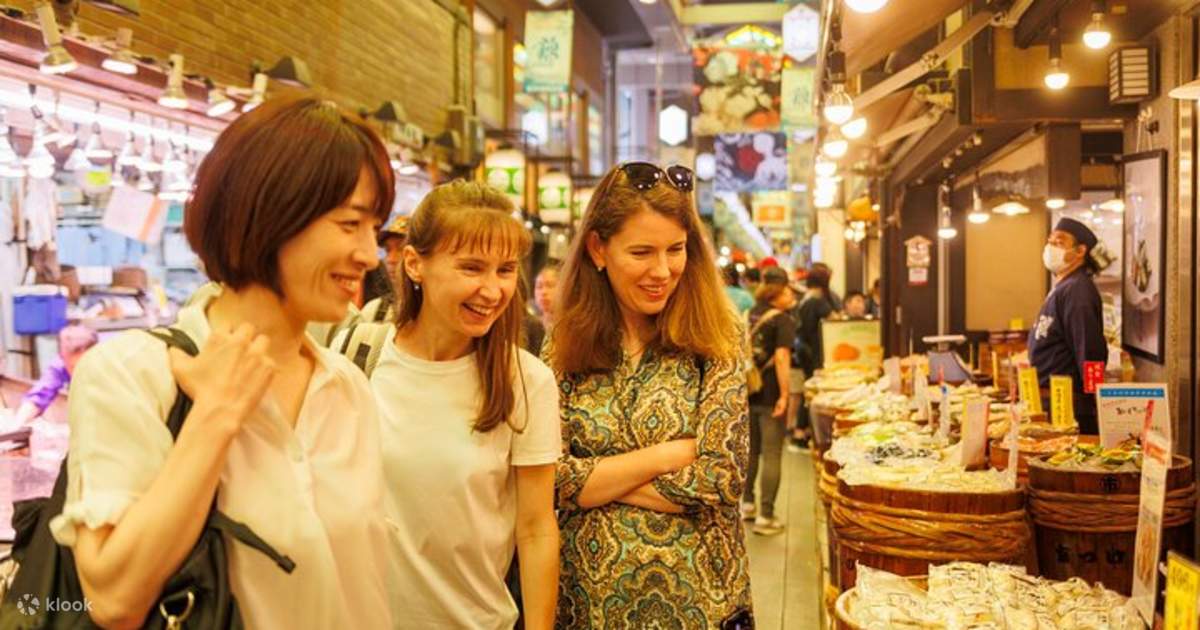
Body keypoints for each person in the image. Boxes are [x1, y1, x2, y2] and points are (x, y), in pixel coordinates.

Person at [50, 94, 396, 628]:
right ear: (272, 215)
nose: (371, 255)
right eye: (350, 224)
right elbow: (112, 599)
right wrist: (215, 416)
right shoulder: (133, 375)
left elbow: (364, 590)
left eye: (374, 229)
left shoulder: (346, 387)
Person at [548, 162, 753, 628]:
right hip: (590, 604)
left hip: (701, 600)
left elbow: (722, 477)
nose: (662, 271)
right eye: (641, 252)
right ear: (599, 249)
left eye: (675, 250)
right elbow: (550, 479)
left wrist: (595, 486)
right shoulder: (561, 344)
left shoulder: (718, 337)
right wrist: (668, 454)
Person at [373, 180, 561, 630]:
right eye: (472, 267)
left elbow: (535, 529)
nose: (493, 290)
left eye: (505, 270)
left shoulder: (526, 380)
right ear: (415, 265)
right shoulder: (359, 358)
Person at [1029, 217, 1108, 435]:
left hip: (1070, 406)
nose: (1051, 247)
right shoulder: (1063, 286)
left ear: (1080, 250)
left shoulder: (1078, 290)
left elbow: (1090, 348)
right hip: (1052, 401)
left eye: (1060, 242)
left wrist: (1096, 401)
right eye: (1050, 241)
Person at [741, 282, 796, 535]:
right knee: (772, 453)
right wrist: (785, 395)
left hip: (748, 389)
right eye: (787, 292)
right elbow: (782, 358)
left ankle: (747, 504)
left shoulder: (748, 314)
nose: (791, 296)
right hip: (771, 392)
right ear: (775, 295)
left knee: (751, 451)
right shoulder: (782, 320)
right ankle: (766, 516)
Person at [13, 324, 97, 425]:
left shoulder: (111, 365)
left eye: (84, 365)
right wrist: (17, 426)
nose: (78, 372)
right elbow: (39, 396)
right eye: (72, 367)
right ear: (62, 356)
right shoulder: (59, 366)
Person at [795, 268, 838, 449]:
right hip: (814, 351)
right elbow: (835, 320)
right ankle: (804, 431)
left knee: (808, 387)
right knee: (813, 390)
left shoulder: (804, 299)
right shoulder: (818, 301)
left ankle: (800, 430)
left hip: (804, 349)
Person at [360, 215, 408, 324]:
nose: (390, 259)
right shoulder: (373, 311)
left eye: (400, 249)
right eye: (387, 250)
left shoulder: (436, 311)